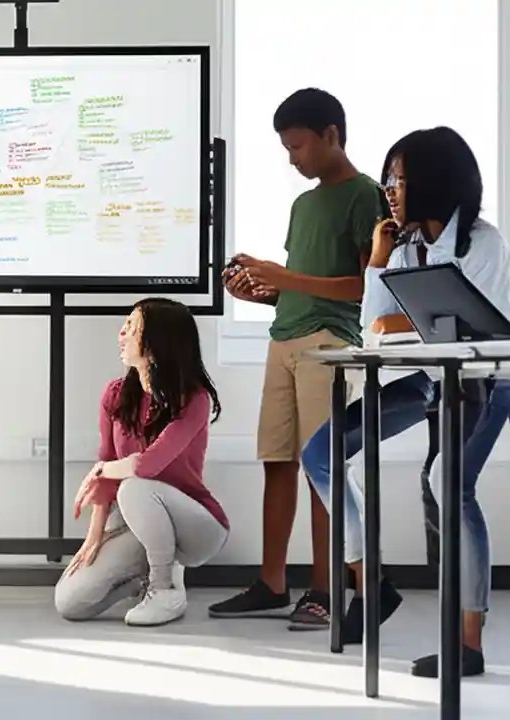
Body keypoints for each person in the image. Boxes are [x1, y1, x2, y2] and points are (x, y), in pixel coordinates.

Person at [301, 127, 510, 678]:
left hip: (485, 381)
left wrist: (407, 322)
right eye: (389, 177)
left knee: (449, 479)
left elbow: (474, 332)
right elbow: (375, 329)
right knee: (321, 454)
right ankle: (370, 585)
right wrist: (378, 260)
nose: (389, 188)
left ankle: (468, 642)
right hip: (427, 379)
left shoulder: (482, 244)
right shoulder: (406, 247)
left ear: (435, 180)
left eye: (399, 177)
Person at [211, 89, 386, 630]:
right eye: (287, 148)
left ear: (332, 134)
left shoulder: (365, 195)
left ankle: (325, 588)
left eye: (299, 146)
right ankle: (272, 583)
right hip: (284, 339)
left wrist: (284, 277)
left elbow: (366, 287)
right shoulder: (303, 205)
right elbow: (303, 287)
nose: (293, 158)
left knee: (320, 470)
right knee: (278, 462)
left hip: (330, 345)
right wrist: (262, 292)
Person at [55, 298, 229, 626]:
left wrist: (101, 470)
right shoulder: (115, 394)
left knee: (135, 487)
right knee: (71, 602)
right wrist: (94, 538)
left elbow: (148, 466)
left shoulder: (194, 399)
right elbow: (107, 467)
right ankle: (146, 576)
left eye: (132, 327)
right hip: (136, 518)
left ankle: (164, 588)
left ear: (160, 340)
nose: (121, 333)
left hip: (197, 528)